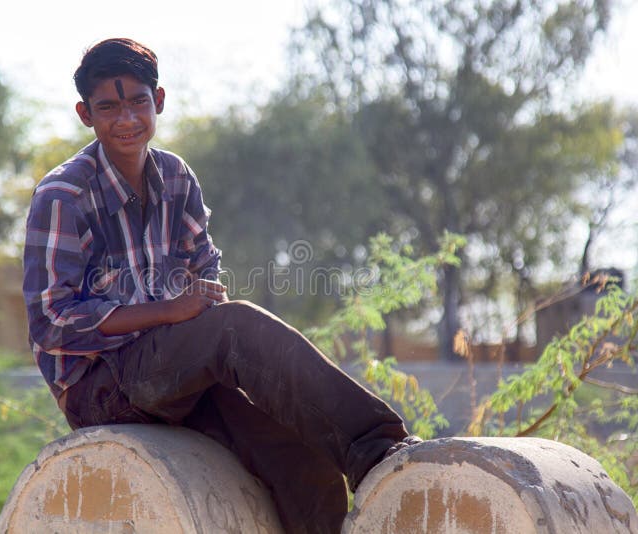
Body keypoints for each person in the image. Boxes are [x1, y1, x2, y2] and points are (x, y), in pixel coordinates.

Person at [22, 37, 418, 534]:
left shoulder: (176, 178)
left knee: (301, 457)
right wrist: (171, 314)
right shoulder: (64, 194)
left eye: (138, 102)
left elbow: (203, 268)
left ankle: (353, 470)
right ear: (85, 114)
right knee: (235, 327)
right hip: (101, 387)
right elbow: (50, 322)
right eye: (108, 108)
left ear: (158, 101)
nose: (125, 119)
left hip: (174, 373)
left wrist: (199, 310)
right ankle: (382, 450)